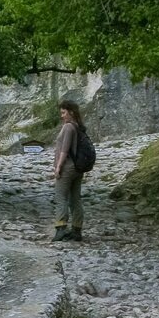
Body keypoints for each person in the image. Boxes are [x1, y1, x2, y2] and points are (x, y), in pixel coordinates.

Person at [51, 99, 85, 242]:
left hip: (67, 168)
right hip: (77, 168)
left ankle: (61, 228)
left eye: (64, 113)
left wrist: (58, 167)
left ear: (71, 112)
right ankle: (76, 230)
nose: (62, 116)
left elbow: (64, 151)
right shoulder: (78, 126)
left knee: (60, 197)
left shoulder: (68, 128)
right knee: (75, 198)